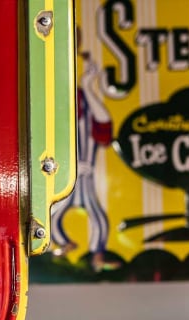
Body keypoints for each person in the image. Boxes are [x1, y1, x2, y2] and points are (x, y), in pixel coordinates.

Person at [50, 37, 121, 272]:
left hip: (87, 174)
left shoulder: (86, 102)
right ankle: (62, 244)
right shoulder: (55, 100)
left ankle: (97, 255)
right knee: (54, 214)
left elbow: (104, 126)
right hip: (66, 174)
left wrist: (88, 86)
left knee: (98, 217)